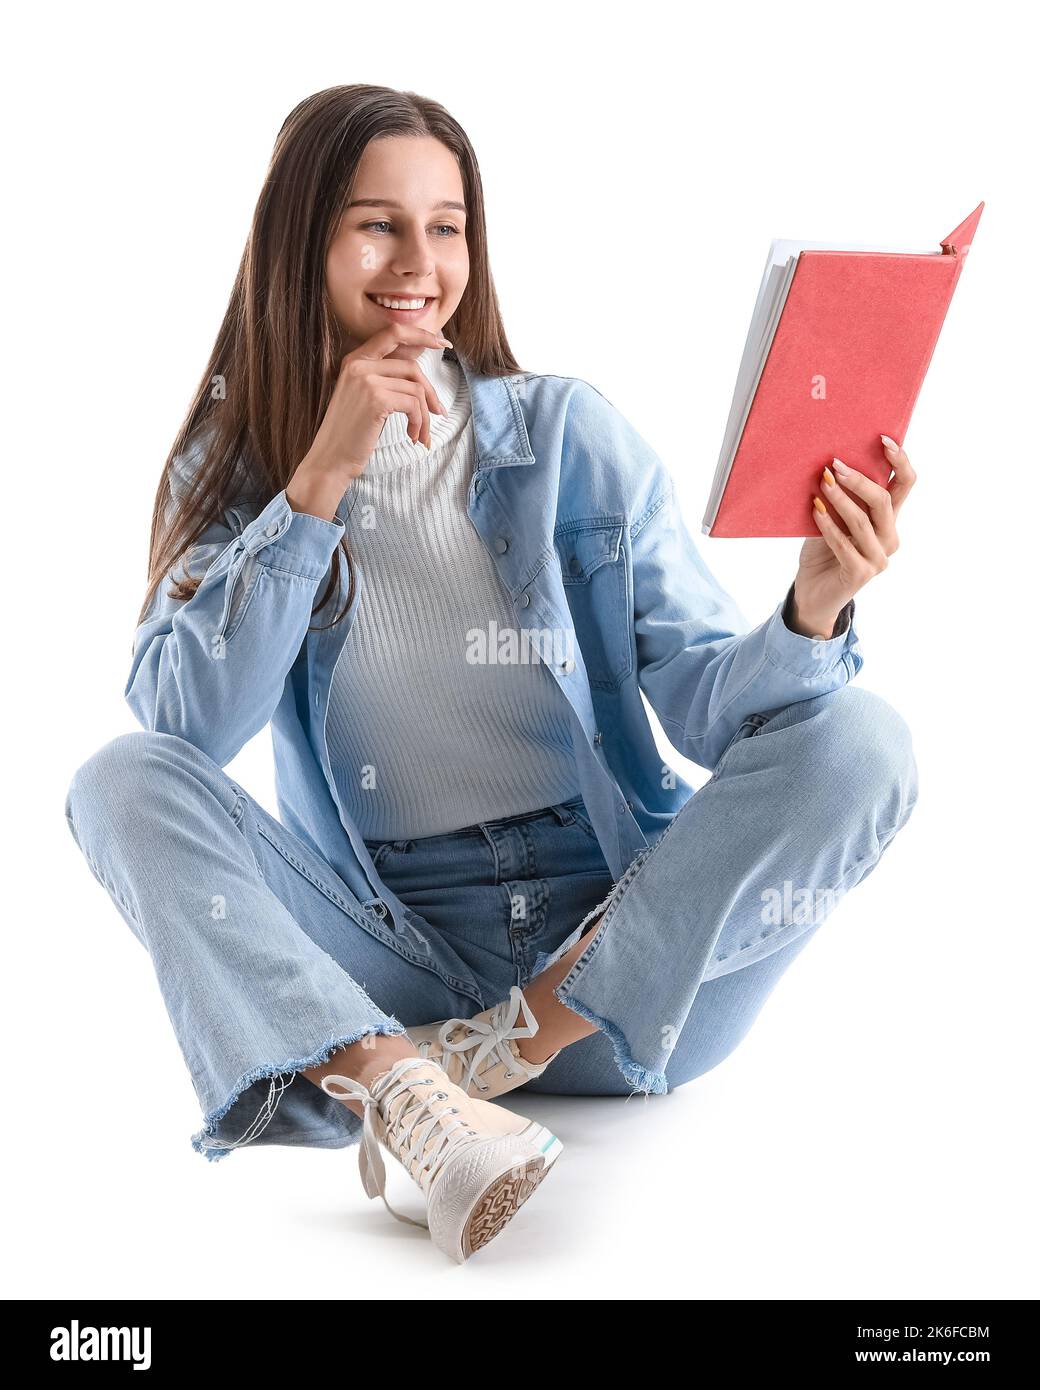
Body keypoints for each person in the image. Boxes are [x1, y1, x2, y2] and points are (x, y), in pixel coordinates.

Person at [63, 84, 919, 1264]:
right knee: (117, 780)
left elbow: (708, 707)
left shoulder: (567, 436)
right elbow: (184, 726)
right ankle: (403, 1087)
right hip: (396, 959)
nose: (419, 264)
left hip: (627, 967)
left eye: (447, 226)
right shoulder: (238, 471)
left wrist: (812, 605)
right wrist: (315, 483)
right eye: (377, 225)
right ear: (300, 242)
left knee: (861, 738)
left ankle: (490, 1055)